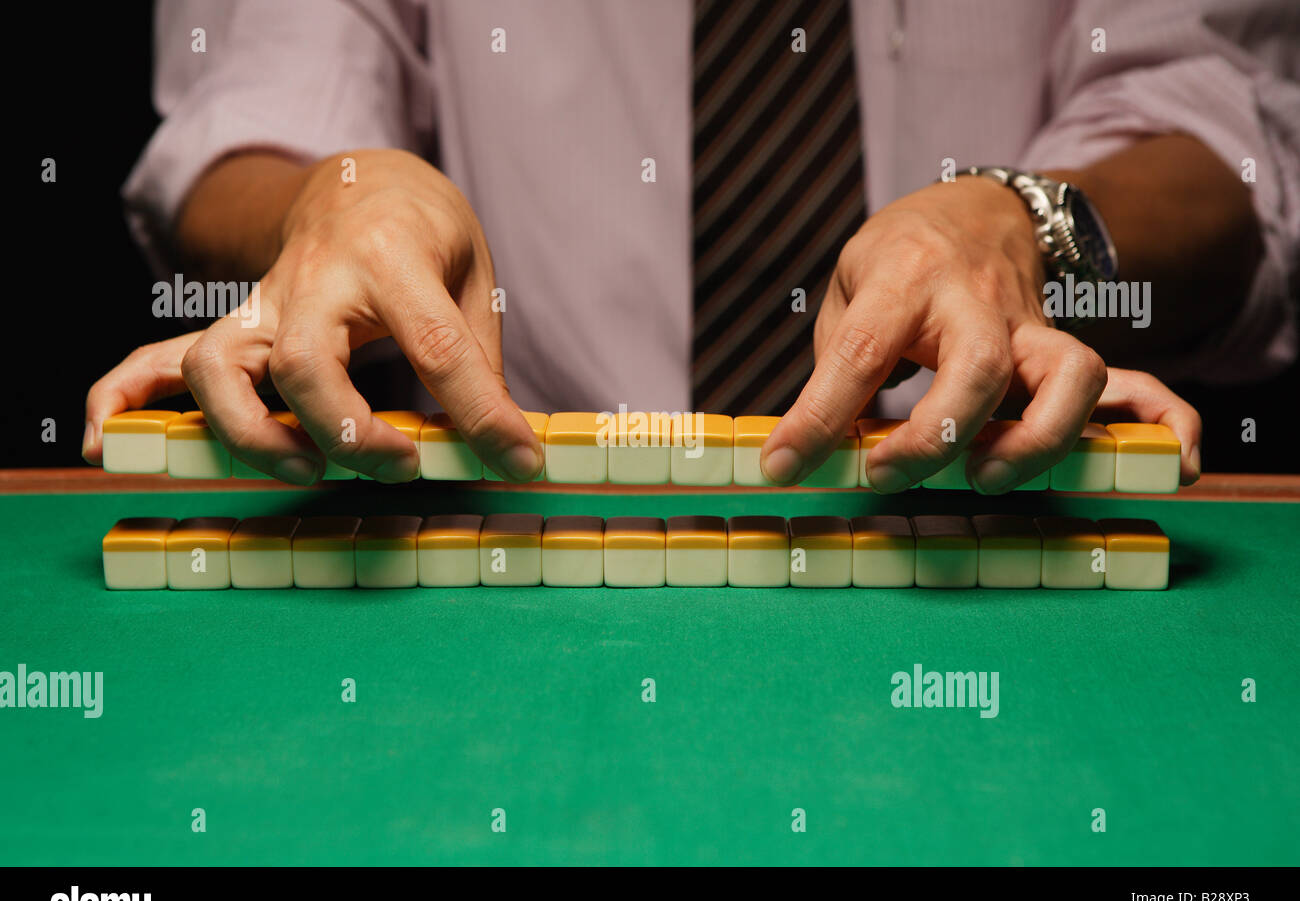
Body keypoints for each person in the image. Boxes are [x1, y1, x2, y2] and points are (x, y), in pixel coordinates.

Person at [82, 0, 1299, 489]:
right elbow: (258, 101)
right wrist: (339, 202)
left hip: (977, 497)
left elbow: (1216, 120)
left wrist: (1014, 222)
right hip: (523, 513)